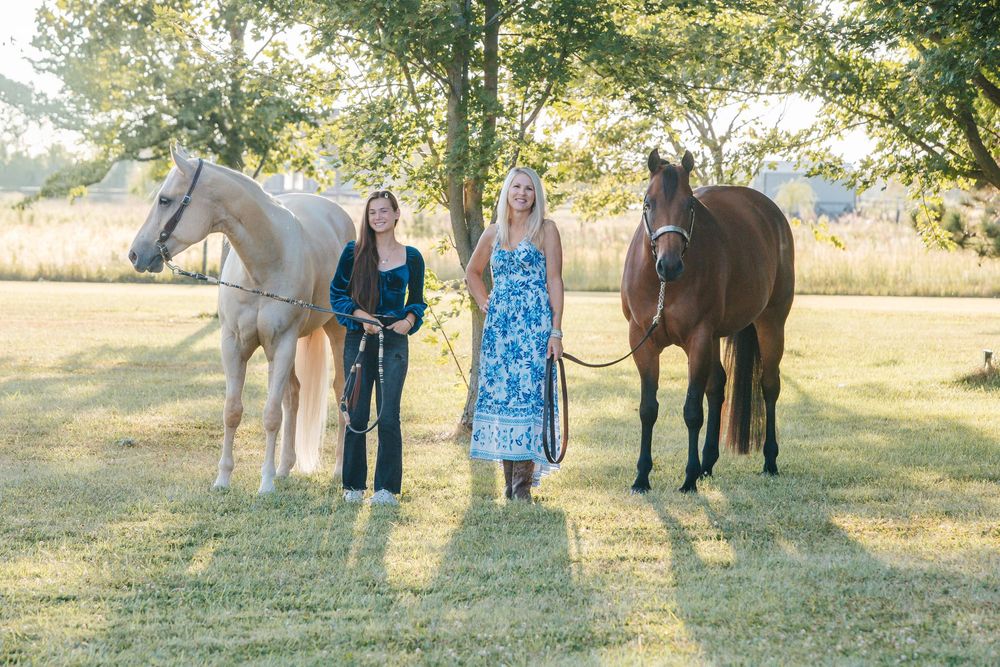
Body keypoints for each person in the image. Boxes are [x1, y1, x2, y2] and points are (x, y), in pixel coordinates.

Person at [465, 167, 564, 501]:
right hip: (500, 332)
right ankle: (510, 487)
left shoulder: (546, 230)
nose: (522, 193)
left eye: (529, 189)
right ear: (507, 191)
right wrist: (484, 302)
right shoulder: (493, 232)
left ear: (537, 195)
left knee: (528, 402)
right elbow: (473, 273)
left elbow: (555, 281)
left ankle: (521, 490)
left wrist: (556, 331)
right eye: (517, 187)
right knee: (505, 404)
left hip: (534, 328)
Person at [330, 190, 426, 505]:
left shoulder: (411, 257)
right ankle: (353, 487)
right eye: (373, 212)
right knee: (356, 413)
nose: (378, 217)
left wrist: (410, 320)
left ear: (397, 214)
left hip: (394, 339)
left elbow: (417, 301)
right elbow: (337, 294)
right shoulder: (352, 252)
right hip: (359, 338)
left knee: (388, 414)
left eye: (384, 211)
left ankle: (386, 489)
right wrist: (360, 316)